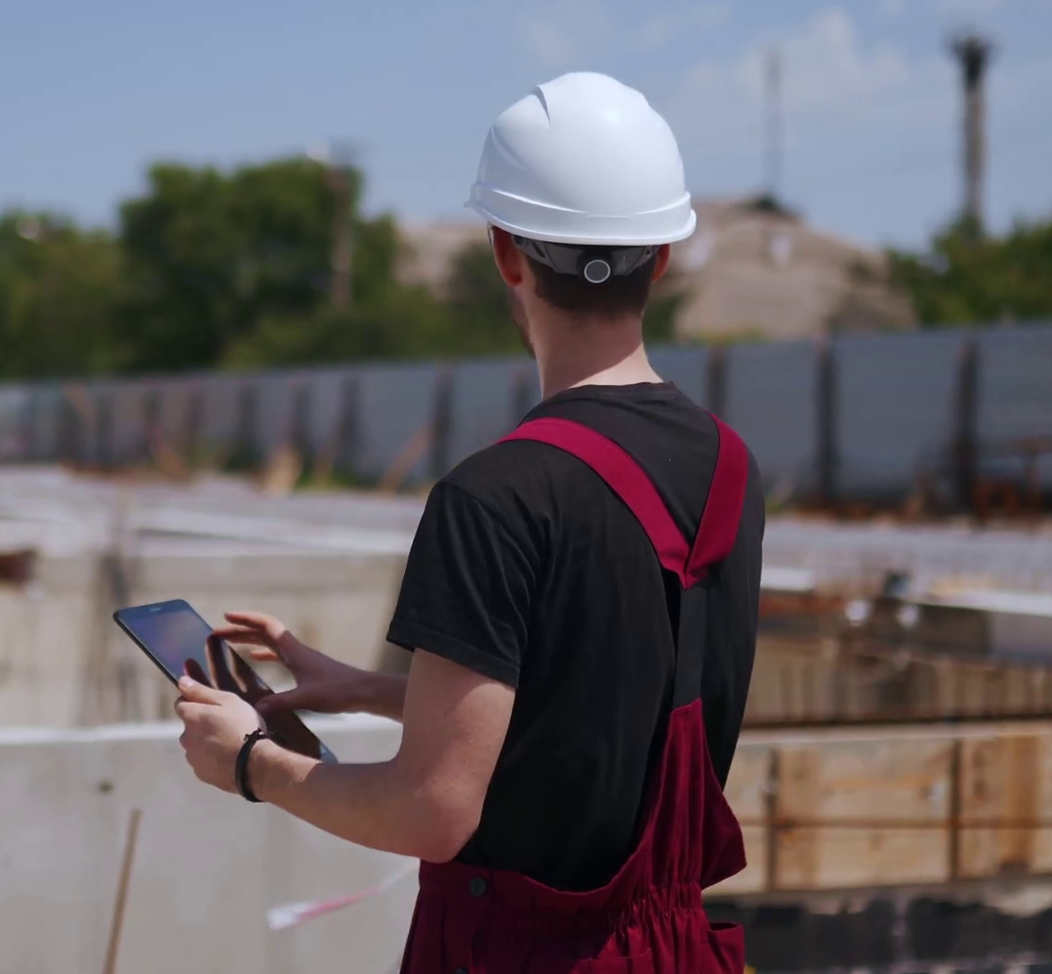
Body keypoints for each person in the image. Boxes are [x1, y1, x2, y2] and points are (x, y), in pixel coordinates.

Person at [173, 72, 765, 973]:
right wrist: (367, 689)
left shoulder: (493, 498)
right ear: (665, 257)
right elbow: (596, 711)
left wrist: (250, 762)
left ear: (506, 256)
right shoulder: (729, 467)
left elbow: (432, 812)